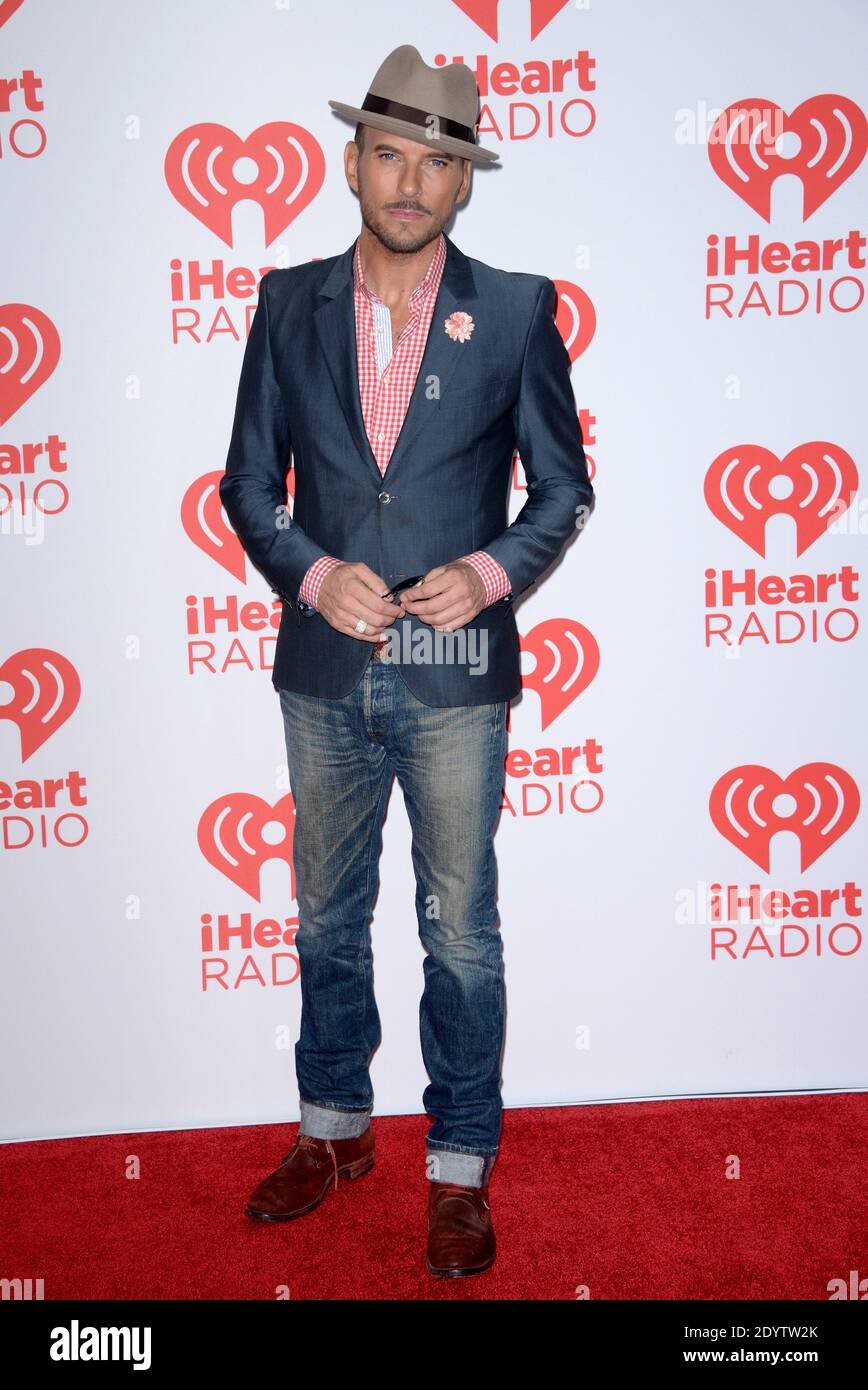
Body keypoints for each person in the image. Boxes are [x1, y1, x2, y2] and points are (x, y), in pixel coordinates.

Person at [219, 43, 594, 1279]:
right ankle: (331, 1131)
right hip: (322, 666)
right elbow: (245, 484)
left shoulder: (521, 310)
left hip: (454, 674)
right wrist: (314, 573)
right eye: (391, 152)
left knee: (459, 931)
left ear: (465, 183)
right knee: (326, 918)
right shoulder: (286, 302)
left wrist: (485, 574)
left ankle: (457, 1164)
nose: (412, 180)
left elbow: (562, 489)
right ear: (351, 161)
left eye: (440, 161)